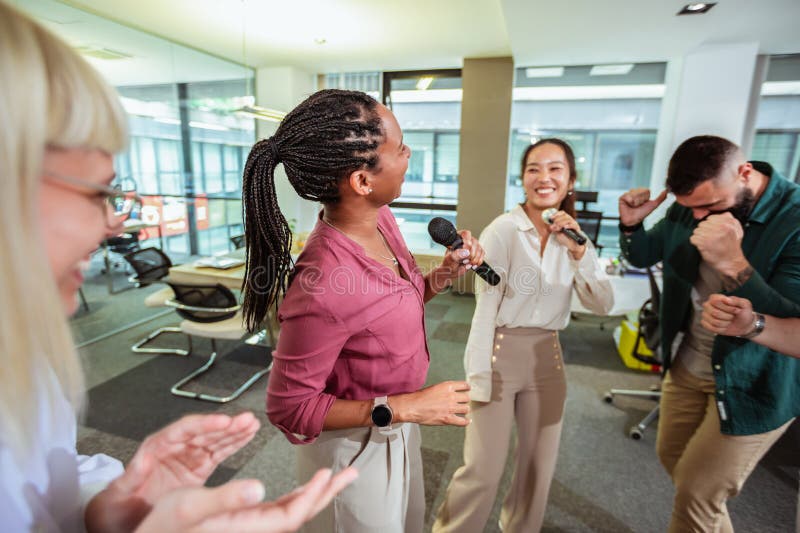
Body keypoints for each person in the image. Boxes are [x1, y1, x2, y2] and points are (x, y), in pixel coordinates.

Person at [0, 3, 355, 531]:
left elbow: (37, 484)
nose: (111, 227)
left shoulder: (24, 359)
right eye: (98, 190)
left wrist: (108, 506)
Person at [240, 88, 486, 532]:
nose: (409, 153)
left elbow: (393, 305)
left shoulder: (382, 222)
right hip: (352, 449)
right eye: (399, 147)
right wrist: (403, 407)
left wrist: (444, 274)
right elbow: (288, 408)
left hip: (399, 422)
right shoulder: (322, 285)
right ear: (362, 181)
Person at [618, 134, 800, 532]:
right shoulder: (691, 207)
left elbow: (793, 321)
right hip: (687, 364)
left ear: (744, 173)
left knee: (698, 493)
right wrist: (632, 227)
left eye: (710, 206)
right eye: (690, 209)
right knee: (678, 467)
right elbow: (645, 254)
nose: (698, 217)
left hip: (752, 383)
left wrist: (735, 265)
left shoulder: (794, 218)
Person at [433, 138, 614, 532]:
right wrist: (477, 373)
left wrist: (581, 254)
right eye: (534, 168)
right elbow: (485, 307)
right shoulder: (504, 229)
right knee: (483, 468)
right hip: (499, 354)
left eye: (555, 169)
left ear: (570, 180)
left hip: (548, 357)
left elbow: (602, 304)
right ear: (523, 177)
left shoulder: (573, 237)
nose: (544, 177)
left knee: (537, 468)